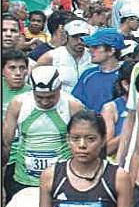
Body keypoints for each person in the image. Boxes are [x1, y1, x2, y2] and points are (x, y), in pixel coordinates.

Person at [4, 66, 85, 195]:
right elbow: (6, 144)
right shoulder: (18, 103)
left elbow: (84, 144)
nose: (45, 102)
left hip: (62, 179)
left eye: (50, 97)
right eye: (39, 97)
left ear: (59, 88)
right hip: (25, 179)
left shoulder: (73, 105)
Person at [72, 29, 125, 113]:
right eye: (90, 46)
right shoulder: (88, 74)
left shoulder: (125, 75)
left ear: (111, 51)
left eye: (95, 47)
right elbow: (75, 103)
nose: (90, 50)